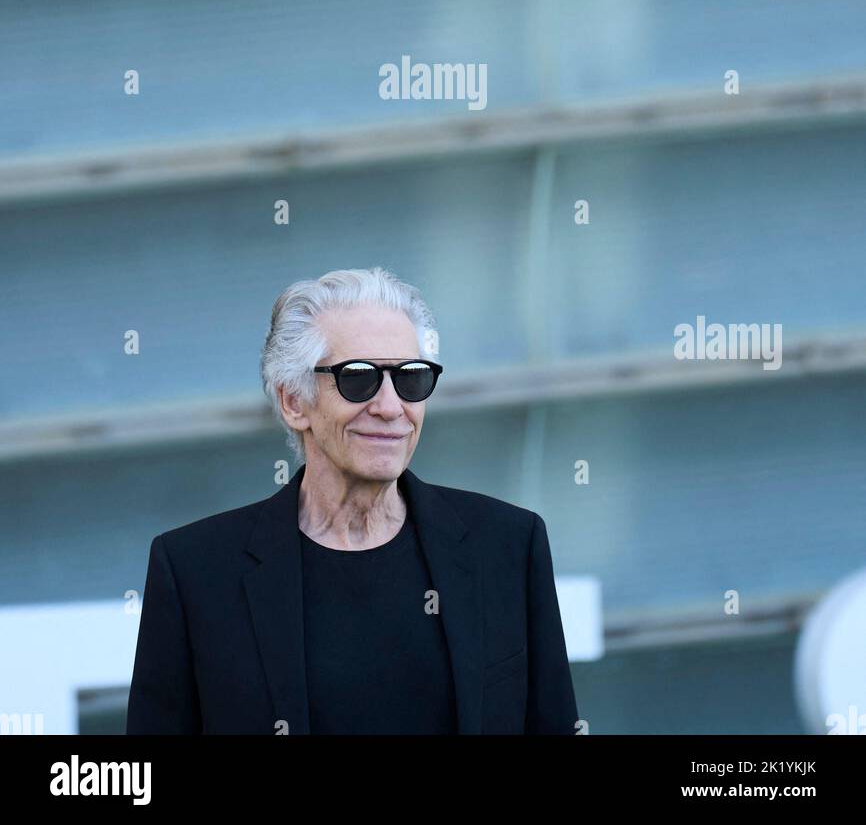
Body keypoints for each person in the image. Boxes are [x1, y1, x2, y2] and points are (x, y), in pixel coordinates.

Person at [126, 266, 578, 734]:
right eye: (358, 378)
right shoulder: (195, 572)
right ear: (293, 402)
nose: (389, 406)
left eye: (411, 378)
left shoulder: (506, 545)